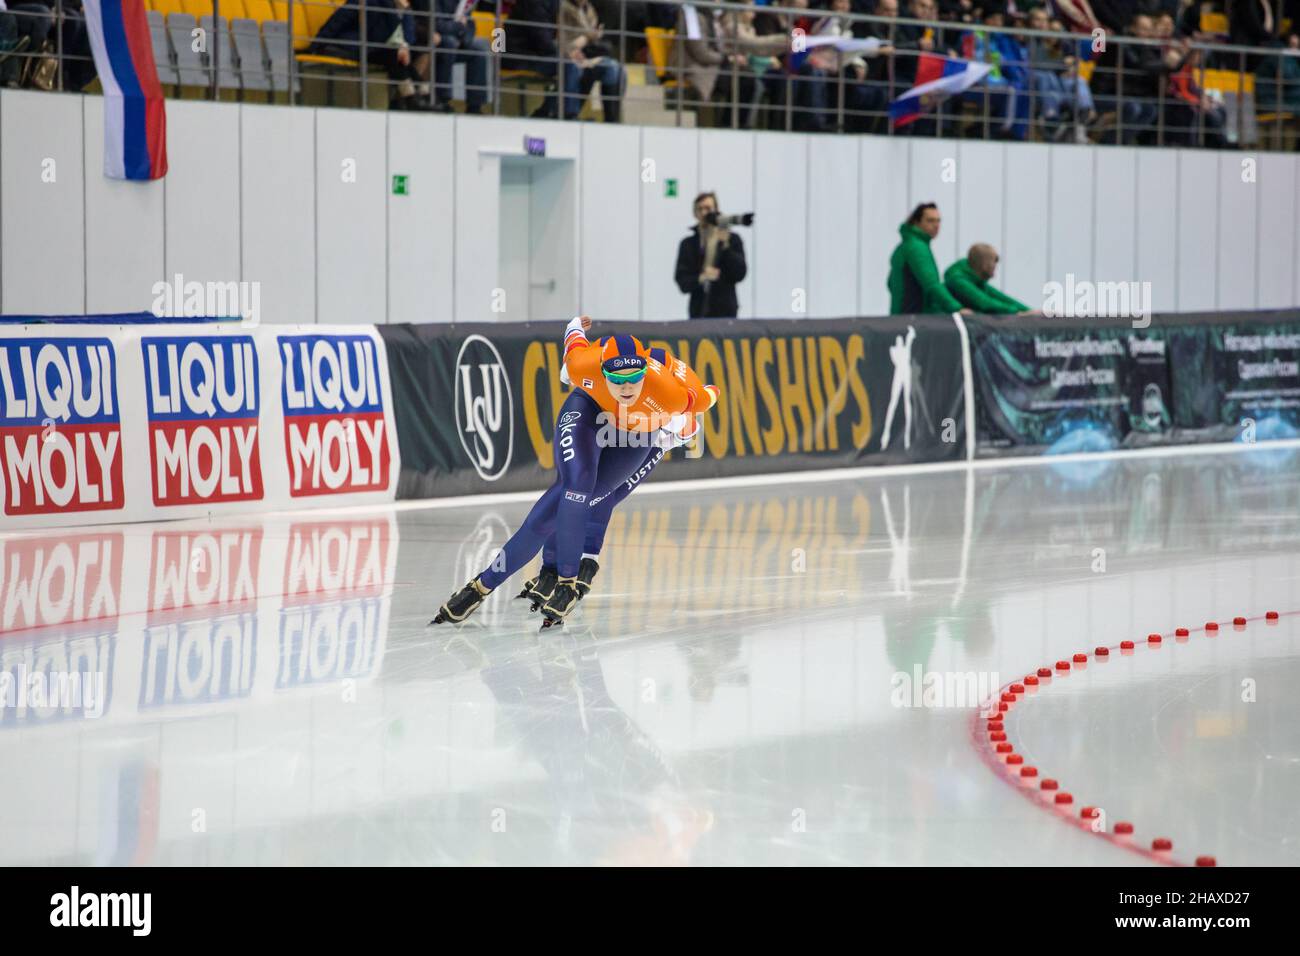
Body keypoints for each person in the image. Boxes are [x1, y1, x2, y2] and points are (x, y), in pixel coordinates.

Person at [434, 316, 720, 628]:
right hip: (589, 411)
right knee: (575, 487)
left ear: (645, 372)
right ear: (602, 371)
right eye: (616, 377)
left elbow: (709, 393)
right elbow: (574, 341)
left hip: (639, 434)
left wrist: (674, 432)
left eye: (634, 378)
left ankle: (540, 575)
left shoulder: (673, 397)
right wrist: (574, 326)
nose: (626, 387)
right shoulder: (582, 367)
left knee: (593, 500)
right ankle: (514, 584)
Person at [674, 192, 748, 319]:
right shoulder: (688, 244)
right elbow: (682, 281)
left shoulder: (732, 240)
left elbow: (740, 273)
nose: (704, 213)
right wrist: (701, 278)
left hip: (726, 311)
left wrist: (726, 247)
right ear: (695, 213)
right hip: (699, 310)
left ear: (716, 210)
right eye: (700, 209)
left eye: (708, 208)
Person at [888, 203, 968, 315]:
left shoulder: (905, 246)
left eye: (938, 221)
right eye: (930, 220)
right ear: (916, 222)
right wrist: (956, 308)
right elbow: (931, 284)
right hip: (915, 319)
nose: (936, 225)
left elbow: (890, 283)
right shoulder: (916, 248)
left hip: (902, 317)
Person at [560, 0, 625, 122]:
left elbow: (593, 36)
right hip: (568, 56)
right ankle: (570, 116)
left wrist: (588, 37)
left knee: (618, 70)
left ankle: (612, 121)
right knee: (610, 68)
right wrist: (589, 36)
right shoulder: (564, 8)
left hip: (587, 54)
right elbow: (566, 44)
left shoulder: (588, 9)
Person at [943, 244, 1032, 314]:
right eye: (994, 261)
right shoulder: (958, 281)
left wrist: (1027, 311)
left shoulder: (975, 280)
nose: (995, 266)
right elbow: (985, 303)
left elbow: (1000, 297)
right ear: (985, 265)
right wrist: (1017, 312)